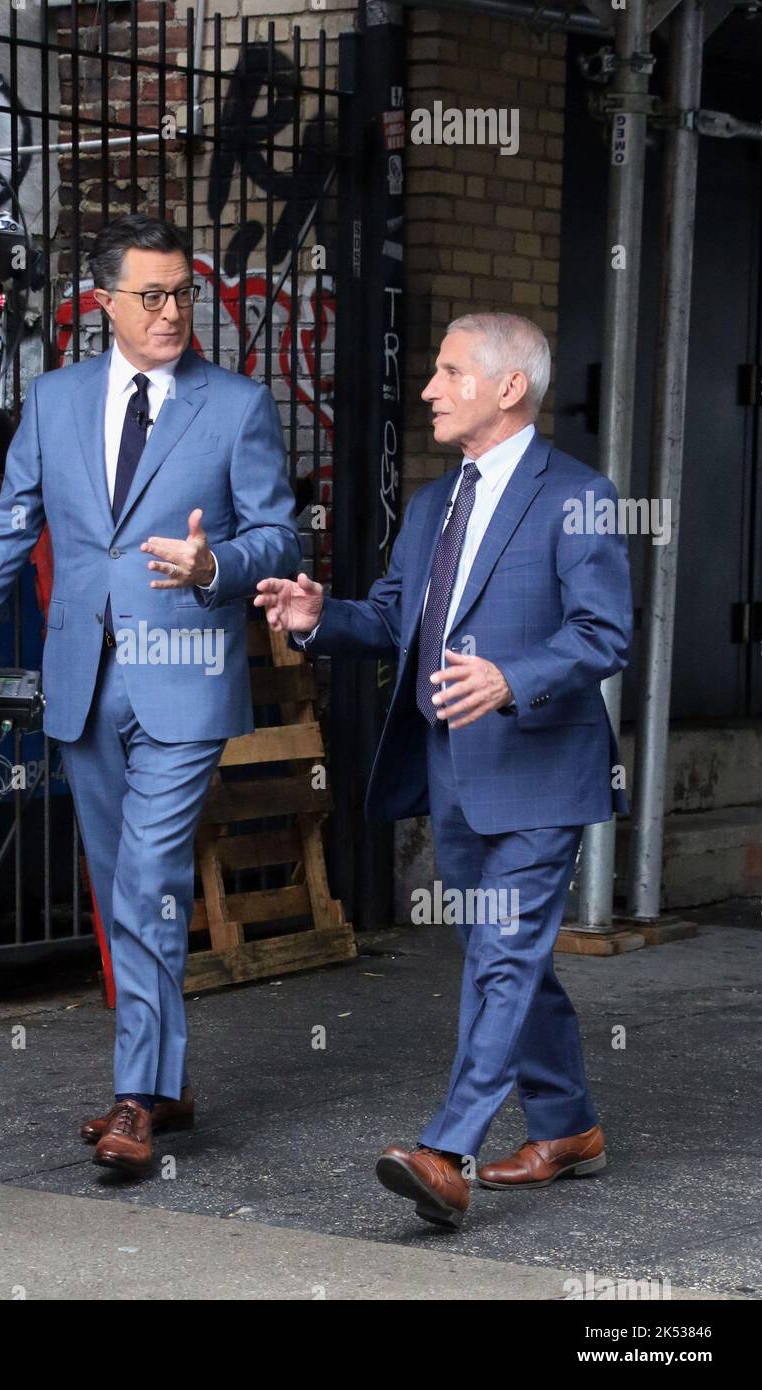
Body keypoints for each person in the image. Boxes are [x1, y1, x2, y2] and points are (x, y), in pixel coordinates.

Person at [256, 312, 632, 1228]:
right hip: (454, 773)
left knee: (503, 951)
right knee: (503, 954)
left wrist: (512, 678)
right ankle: (570, 1124)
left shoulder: (579, 493)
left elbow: (603, 633)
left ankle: (445, 1149)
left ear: (509, 389)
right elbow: (391, 619)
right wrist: (316, 616)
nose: (427, 388)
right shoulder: (433, 504)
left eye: (449, 372)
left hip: (541, 771)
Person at [0, 213, 300, 1175]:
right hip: (81, 681)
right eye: (150, 294)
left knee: (149, 880)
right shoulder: (56, 398)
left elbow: (279, 540)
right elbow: (9, 522)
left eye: (184, 293)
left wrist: (213, 565)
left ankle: (134, 1100)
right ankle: (169, 1079)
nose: (171, 311)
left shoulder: (234, 405)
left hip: (183, 681)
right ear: (100, 301)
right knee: (120, 891)